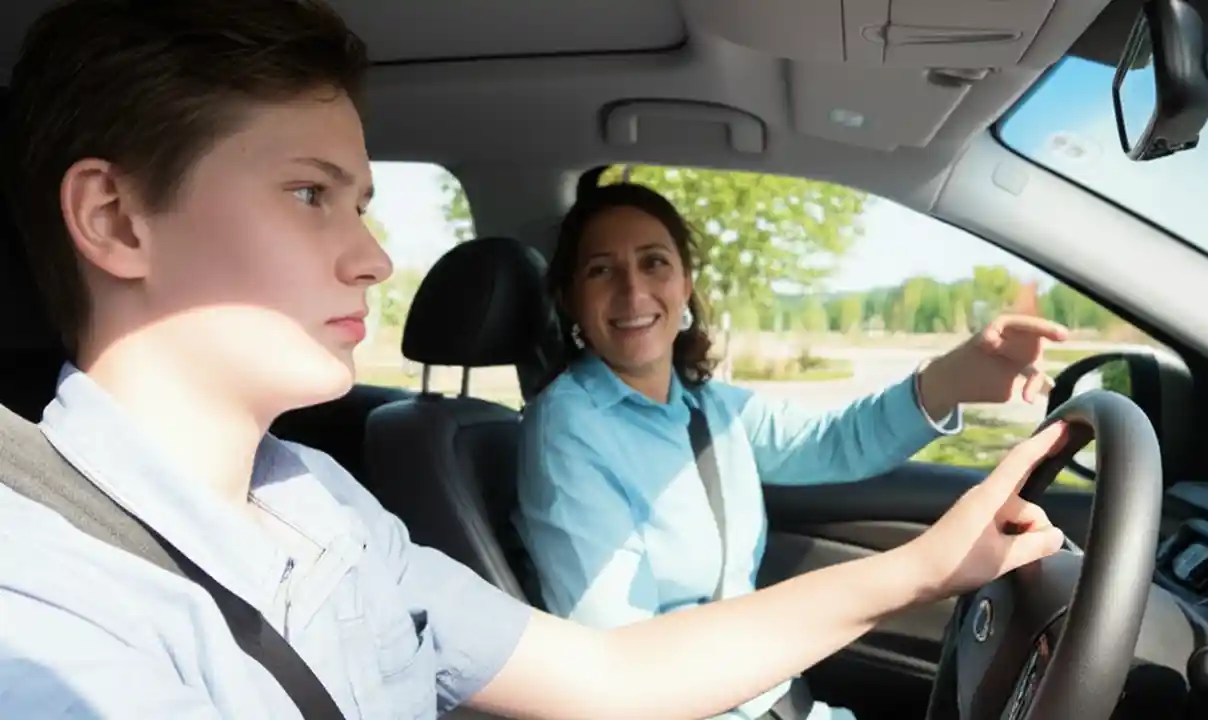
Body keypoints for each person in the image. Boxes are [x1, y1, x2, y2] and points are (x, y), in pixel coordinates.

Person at [0, 1, 1067, 718]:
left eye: (361, 204)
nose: (375, 258)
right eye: (309, 193)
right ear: (116, 219)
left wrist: (930, 564)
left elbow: (607, 677)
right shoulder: (44, 611)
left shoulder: (322, 503)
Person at [514, 183, 1069, 719]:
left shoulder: (711, 407)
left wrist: (951, 380)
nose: (633, 291)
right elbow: (618, 678)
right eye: (601, 269)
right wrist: (918, 570)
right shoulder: (565, 429)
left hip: (770, 695)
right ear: (570, 300)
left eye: (654, 262)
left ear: (685, 283)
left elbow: (834, 442)